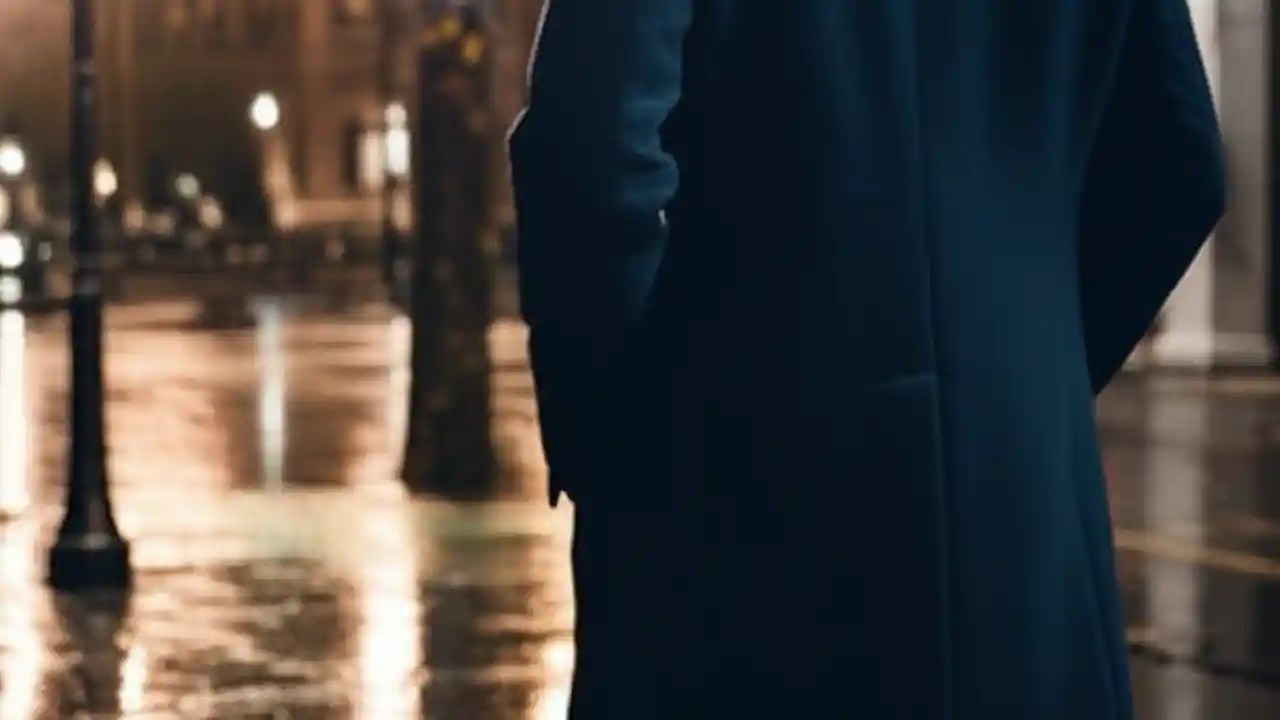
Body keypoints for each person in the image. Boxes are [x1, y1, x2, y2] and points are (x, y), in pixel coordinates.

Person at [508, 1, 1225, 717]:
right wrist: (1034, 367)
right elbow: (1178, 167)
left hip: (735, 490)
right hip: (1023, 487)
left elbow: (589, 151)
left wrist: (609, 440)